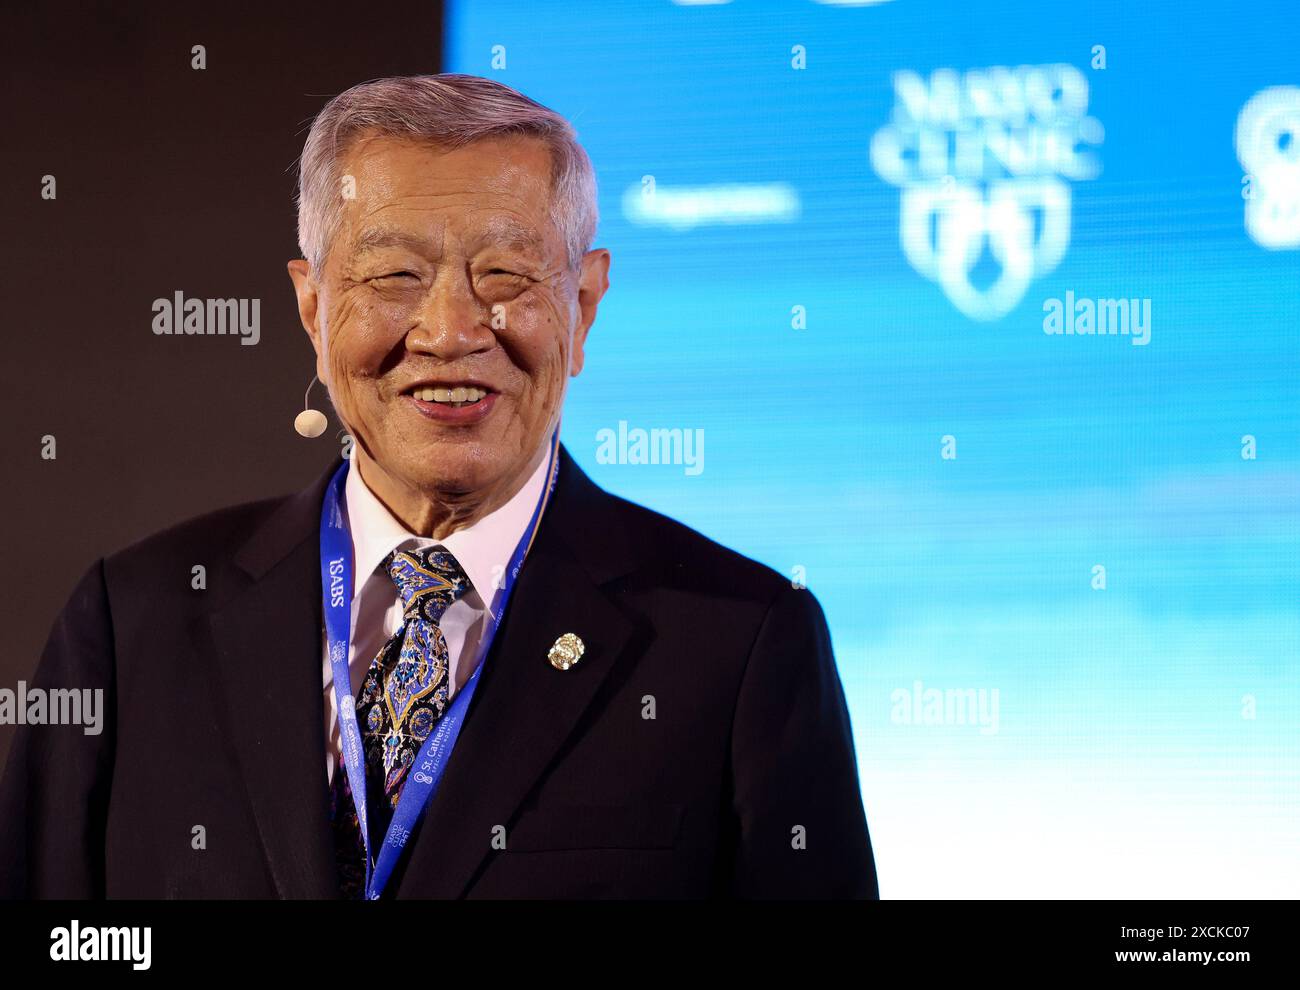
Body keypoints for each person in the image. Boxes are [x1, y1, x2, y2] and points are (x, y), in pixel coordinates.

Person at [0, 74, 878, 899]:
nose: (451, 330)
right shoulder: (136, 622)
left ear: (584, 306)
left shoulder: (738, 645)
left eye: (506, 275)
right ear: (312, 309)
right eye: (393, 276)